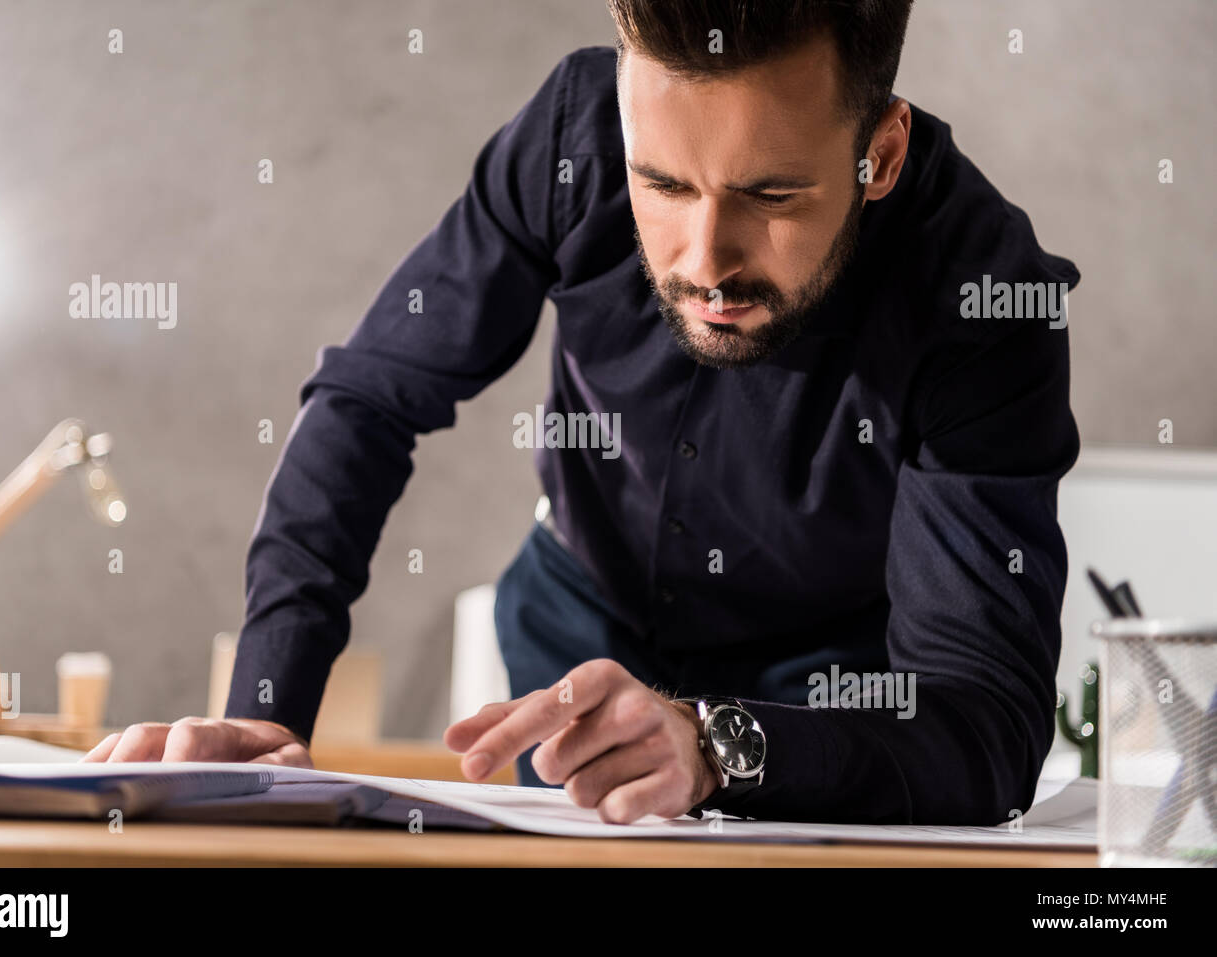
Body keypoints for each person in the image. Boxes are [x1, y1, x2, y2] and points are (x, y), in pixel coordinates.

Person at [84, 0, 1082, 827]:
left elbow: (982, 727)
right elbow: (369, 401)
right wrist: (264, 717)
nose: (705, 262)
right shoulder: (570, 135)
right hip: (574, 619)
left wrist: (718, 742)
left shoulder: (987, 296)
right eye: (661, 183)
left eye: (771, 194)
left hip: (828, 692)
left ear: (884, 152)